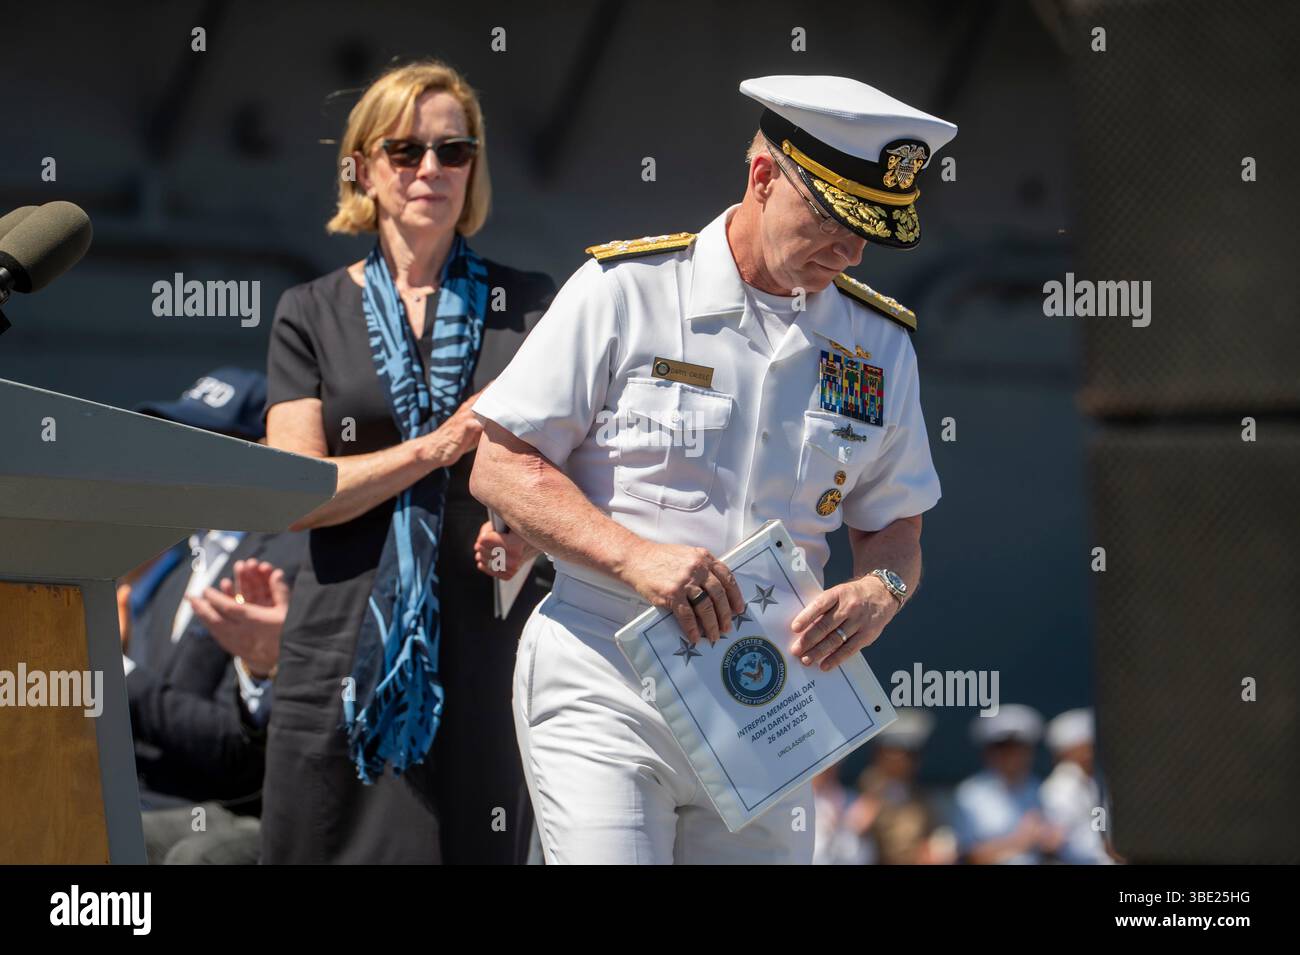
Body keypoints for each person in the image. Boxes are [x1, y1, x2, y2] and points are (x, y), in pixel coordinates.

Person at [470, 75, 957, 864]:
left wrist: (882, 590)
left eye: (874, 231)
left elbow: (894, 521)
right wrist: (638, 557)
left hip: (770, 704)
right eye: (834, 218)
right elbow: (500, 464)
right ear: (764, 177)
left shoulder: (880, 345)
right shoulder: (624, 293)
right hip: (608, 673)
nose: (852, 250)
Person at [261, 59, 555, 864]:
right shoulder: (309, 312)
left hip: (485, 639)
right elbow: (296, 491)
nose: (431, 169)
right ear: (361, 168)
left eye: (454, 151)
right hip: (339, 643)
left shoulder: (530, 305)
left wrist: (529, 532)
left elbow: (567, 470)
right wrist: (436, 446)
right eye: (405, 150)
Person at [119, 368, 305, 864]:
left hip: (226, 808)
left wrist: (113, 671)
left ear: (263, 449)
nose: (178, 457)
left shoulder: (285, 559)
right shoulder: (180, 558)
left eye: (204, 440)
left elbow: (235, 749)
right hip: (149, 796)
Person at [953, 704, 1064, 864]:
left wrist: (1051, 842)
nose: (1012, 756)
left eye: (1019, 748)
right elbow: (969, 856)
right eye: (1003, 748)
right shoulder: (970, 795)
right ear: (988, 752)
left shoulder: (1042, 789)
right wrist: (1021, 841)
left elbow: (1053, 844)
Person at [1040, 708, 1114, 864]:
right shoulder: (1060, 787)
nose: (1091, 752)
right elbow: (1056, 842)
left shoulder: (1095, 780)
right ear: (1067, 750)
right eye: (1086, 746)